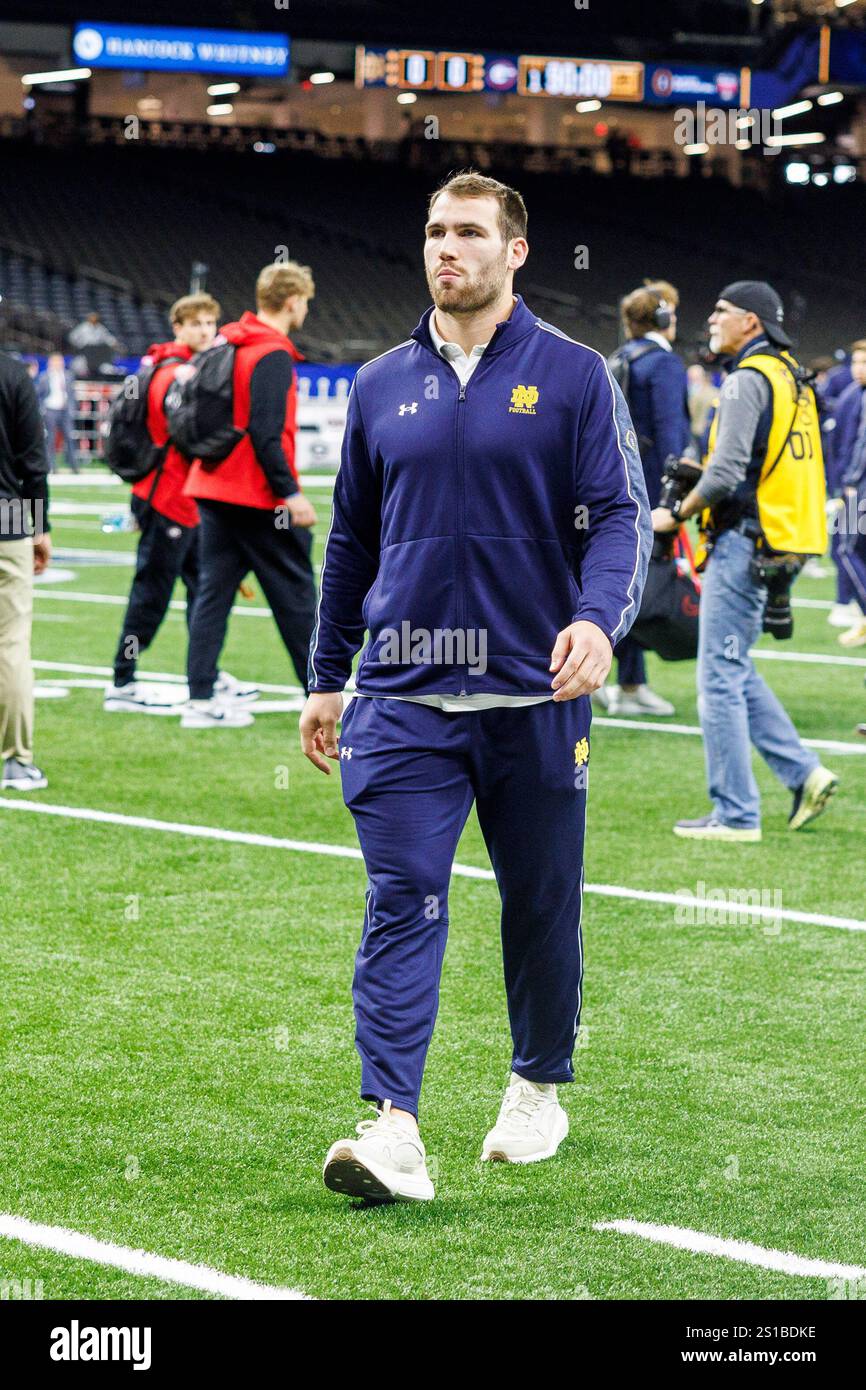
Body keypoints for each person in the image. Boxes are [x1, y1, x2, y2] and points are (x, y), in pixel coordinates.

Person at [301, 171, 651, 1203]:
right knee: (401, 898)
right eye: (432, 231)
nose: (444, 248)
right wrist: (327, 676)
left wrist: (594, 619)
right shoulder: (376, 384)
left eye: (466, 232)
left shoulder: (577, 375)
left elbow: (619, 516)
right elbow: (350, 541)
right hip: (402, 697)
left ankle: (538, 1085)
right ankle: (393, 1124)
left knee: (540, 905)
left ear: (515, 251)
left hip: (531, 701)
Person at [652, 281, 837, 840]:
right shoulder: (791, 375)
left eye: (722, 310)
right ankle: (803, 773)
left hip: (745, 539)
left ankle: (735, 812)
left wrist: (677, 512)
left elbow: (729, 470)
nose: (711, 318)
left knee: (718, 677)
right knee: (732, 665)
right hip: (782, 537)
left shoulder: (746, 380)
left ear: (751, 322)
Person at [182, 263, 318, 728]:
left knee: (211, 596)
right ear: (293, 299)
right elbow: (266, 434)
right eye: (304, 300)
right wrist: (291, 493)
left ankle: (199, 700)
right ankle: (320, 692)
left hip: (212, 484)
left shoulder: (229, 340)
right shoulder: (272, 351)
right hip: (254, 494)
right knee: (297, 594)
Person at [104, 294, 234, 713]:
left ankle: (206, 673)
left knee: (203, 590)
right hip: (167, 499)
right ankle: (122, 680)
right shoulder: (176, 372)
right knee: (151, 593)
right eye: (195, 324)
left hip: (182, 499)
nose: (205, 331)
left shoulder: (169, 367)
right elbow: (187, 436)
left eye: (210, 323)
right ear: (177, 327)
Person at [598, 280, 691, 718]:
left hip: (612, 484)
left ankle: (627, 679)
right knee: (642, 587)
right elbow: (671, 437)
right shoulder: (664, 364)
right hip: (651, 489)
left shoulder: (619, 358)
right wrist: (674, 499)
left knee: (616, 579)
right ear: (663, 317)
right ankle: (630, 684)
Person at [0, 349, 51, 790]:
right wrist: (41, 527)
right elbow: (33, 462)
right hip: (8, 519)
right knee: (10, 644)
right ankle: (15, 760)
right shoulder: (14, 374)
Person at [828, 340, 866, 648]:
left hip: (859, 489)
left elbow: (860, 447)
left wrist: (849, 482)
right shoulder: (853, 394)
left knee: (843, 548)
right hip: (852, 486)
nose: (858, 369)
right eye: (856, 362)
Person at [36, 352, 78, 473]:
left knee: (69, 437)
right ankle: (52, 466)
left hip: (65, 410)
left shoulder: (68, 375)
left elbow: (71, 394)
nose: (58, 364)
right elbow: (39, 394)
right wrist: (42, 408)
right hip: (50, 410)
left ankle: (73, 466)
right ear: (50, 363)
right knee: (51, 439)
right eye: (55, 361)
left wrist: (72, 408)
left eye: (59, 361)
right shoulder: (45, 376)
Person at [68, 312, 120, 379]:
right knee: (78, 367)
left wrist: (114, 343)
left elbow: (108, 338)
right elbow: (72, 337)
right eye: (92, 317)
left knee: (105, 368)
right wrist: (79, 344)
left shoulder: (100, 328)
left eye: (95, 317)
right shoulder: (83, 327)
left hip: (97, 353)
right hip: (85, 352)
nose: (93, 319)